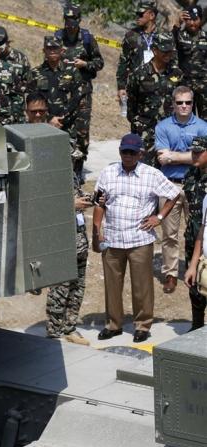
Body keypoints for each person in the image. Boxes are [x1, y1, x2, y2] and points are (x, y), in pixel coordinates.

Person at [92, 133, 180, 343]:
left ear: (140, 153)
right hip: (112, 239)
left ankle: (142, 325)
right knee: (112, 286)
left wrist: (159, 217)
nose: (128, 156)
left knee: (142, 286)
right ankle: (113, 325)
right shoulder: (108, 172)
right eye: (125, 152)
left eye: (132, 152)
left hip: (139, 239)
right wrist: (97, 232)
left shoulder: (152, 174)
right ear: (120, 151)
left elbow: (174, 193)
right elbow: (98, 203)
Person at [25, 92, 91, 346]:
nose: (39, 116)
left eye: (43, 111)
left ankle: (70, 326)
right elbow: (33, 196)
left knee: (78, 279)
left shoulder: (61, 142)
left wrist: (84, 199)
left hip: (76, 227)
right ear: (26, 113)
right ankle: (54, 330)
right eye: (34, 112)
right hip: (54, 228)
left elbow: (73, 178)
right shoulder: (27, 147)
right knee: (61, 280)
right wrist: (68, 204)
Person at [154, 86, 207, 293]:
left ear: (193, 104)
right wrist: (190, 156)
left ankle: (197, 269)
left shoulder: (203, 127)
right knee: (169, 232)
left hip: (196, 186)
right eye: (180, 103)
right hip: (170, 185)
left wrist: (174, 156)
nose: (184, 106)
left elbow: (200, 160)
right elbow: (161, 158)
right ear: (173, 104)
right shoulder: (163, 127)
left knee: (196, 230)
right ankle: (170, 273)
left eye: (188, 102)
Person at [55, 3, 104, 176]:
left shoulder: (87, 39)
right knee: (61, 128)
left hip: (82, 92)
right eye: (67, 20)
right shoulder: (57, 37)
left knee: (82, 131)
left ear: (79, 20)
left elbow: (99, 63)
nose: (70, 24)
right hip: (61, 91)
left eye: (73, 20)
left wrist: (85, 64)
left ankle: (78, 167)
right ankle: (62, 167)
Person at [29, 36, 86, 169]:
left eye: (55, 48)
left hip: (66, 125)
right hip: (42, 125)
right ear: (44, 50)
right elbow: (31, 100)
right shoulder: (35, 73)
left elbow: (77, 98)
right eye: (49, 48)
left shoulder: (72, 71)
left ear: (62, 50)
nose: (52, 51)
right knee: (44, 161)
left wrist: (62, 120)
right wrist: (49, 119)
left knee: (67, 163)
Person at [126, 32, 183, 158]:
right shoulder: (139, 74)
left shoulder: (177, 74)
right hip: (145, 131)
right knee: (144, 169)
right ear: (154, 50)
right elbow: (131, 103)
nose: (168, 55)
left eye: (170, 51)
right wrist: (138, 123)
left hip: (170, 130)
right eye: (164, 51)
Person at [183, 136, 207, 331]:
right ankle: (196, 326)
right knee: (194, 285)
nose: (195, 154)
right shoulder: (190, 174)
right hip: (194, 236)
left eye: (199, 151)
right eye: (193, 151)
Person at [117, 1, 160, 105]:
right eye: (136, 14)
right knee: (134, 120)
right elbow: (123, 62)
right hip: (135, 88)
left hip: (157, 90)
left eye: (141, 14)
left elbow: (172, 62)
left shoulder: (164, 36)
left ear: (152, 15)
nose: (137, 17)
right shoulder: (131, 36)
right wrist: (121, 87)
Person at [175, 5, 207, 117]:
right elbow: (169, 43)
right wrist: (177, 22)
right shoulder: (178, 36)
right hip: (185, 86)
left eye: (195, 19)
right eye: (189, 20)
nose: (192, 23)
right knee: (186, 118)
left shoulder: (205, 37)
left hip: (204, 86)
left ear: (201, 19)